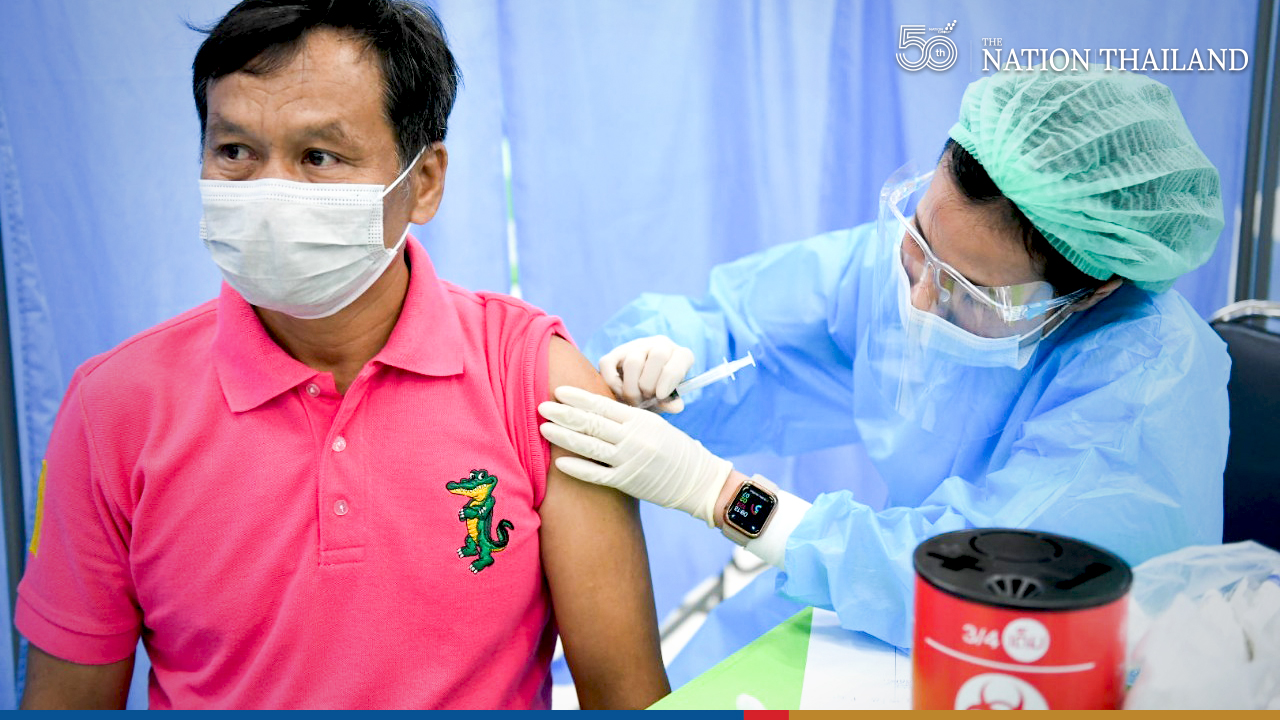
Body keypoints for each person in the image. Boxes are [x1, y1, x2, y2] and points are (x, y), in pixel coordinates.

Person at [16, 0, 668, 710]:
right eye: (235, 151)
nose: (269, 194)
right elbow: (66, 702)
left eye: (318, 156)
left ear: (423, 183)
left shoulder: (535, 381)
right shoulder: (115, 408)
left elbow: (626, 696)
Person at [538, 66, 1230, 650]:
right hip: (874, 610)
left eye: (969, 290)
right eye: (918, 240)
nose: (921, 300)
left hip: (1034, 661)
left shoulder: (1146, 388)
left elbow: (984, 589)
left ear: (1087, 294)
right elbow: (754, 338)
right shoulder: (918, 264)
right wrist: (665, 367)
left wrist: (724, 498)